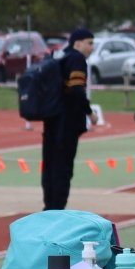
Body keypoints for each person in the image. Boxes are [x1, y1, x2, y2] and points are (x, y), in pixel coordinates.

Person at [42, 28, 92, 210]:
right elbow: (77, 89)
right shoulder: (77, 59)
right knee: (63, 169)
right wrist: (90, 112)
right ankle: (58, 210)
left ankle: (49, 208)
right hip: (68, 123)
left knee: (50, 167)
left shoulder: (58, 57)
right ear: (77, 43)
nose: (91, 48)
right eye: (90, 43)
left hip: (51, 120)